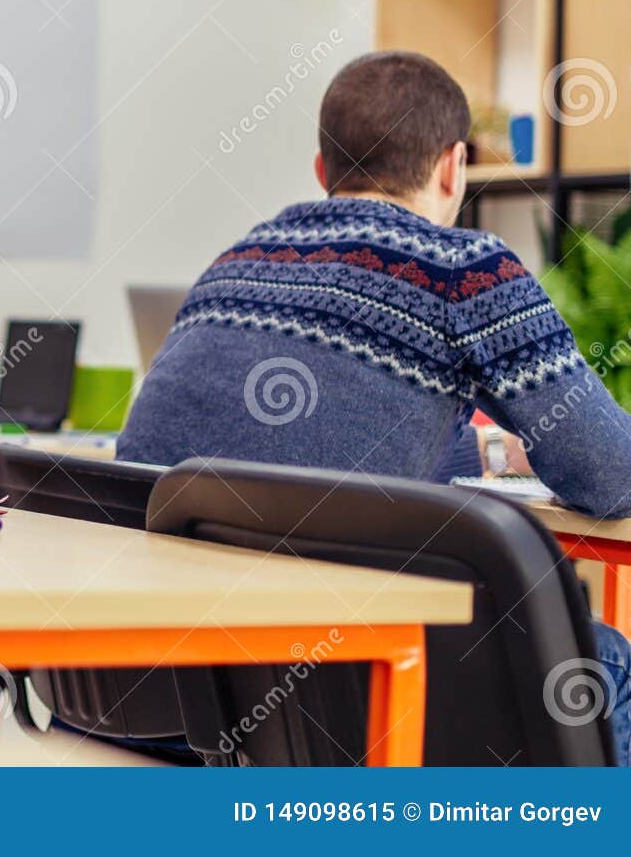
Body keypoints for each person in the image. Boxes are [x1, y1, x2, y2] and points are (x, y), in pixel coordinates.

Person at [116, 48, 631, 764]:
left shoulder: (232, 263)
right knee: (608, 660)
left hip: (156, 686)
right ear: (454, 166)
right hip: (341, 698)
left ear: (323, 171)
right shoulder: (467, 271)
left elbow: (335, 444)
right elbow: (612, 477)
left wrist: (487, 449)